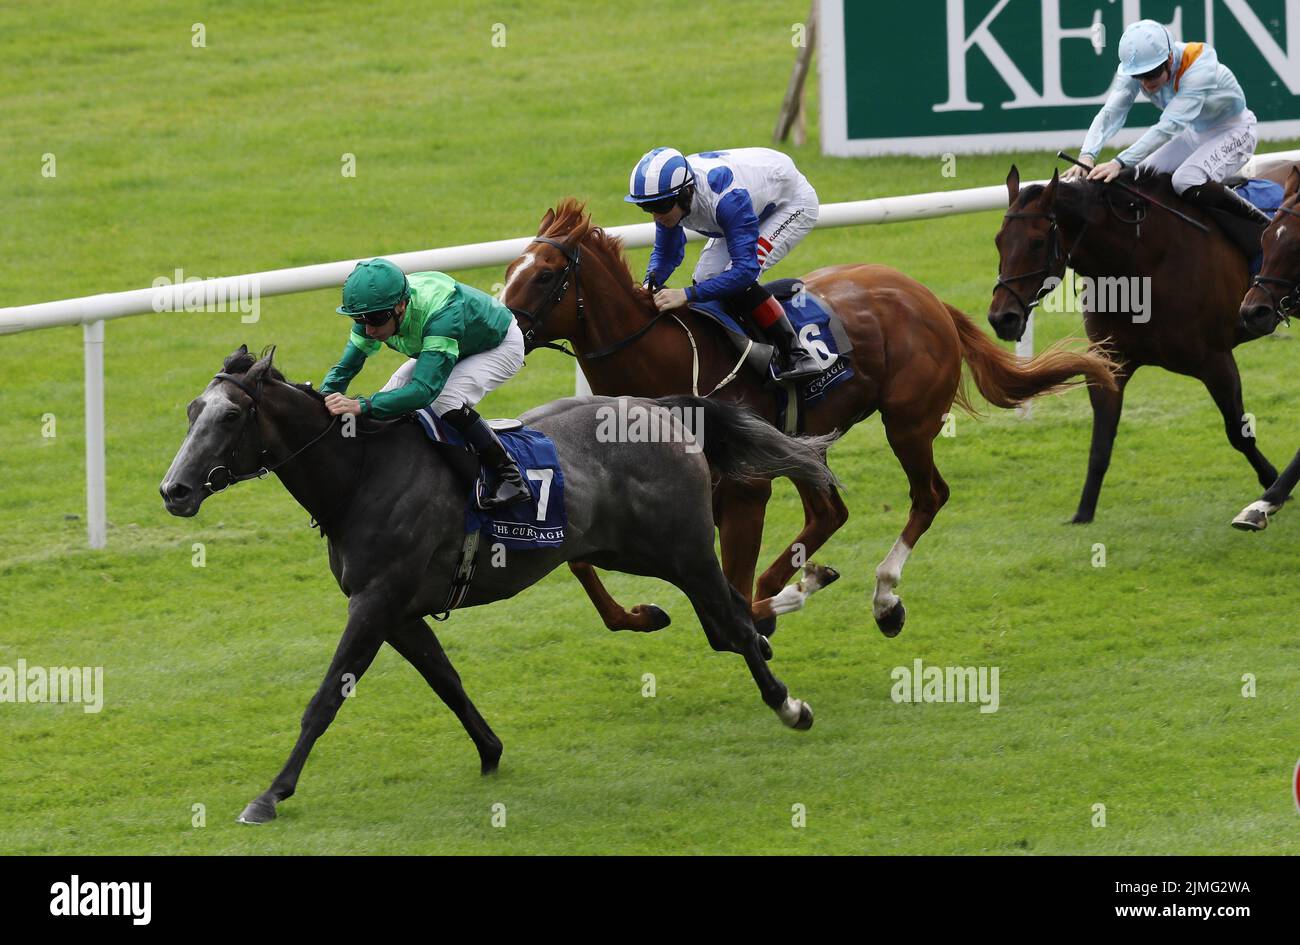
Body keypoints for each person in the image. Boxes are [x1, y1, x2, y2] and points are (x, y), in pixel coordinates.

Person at [320, 258, 530, 509]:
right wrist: (320, 400)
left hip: (498, 345)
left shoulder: (442, 315)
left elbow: (424, 391)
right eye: (359, 319)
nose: (369, 330)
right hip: (455, 343)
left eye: (375, 320)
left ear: (400, 305)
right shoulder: (374, 311)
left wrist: (361, 405)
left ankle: (511, 476)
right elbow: (345, 369)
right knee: (390, 394)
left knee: (446, 400)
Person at [1063, 19, 1270, 248]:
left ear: (1169, 59)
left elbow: (1167, 127)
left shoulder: (1198, 66)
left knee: (1185, 180)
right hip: (1195, 134)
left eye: (1151, 75)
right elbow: (1110, 113)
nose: (1145, 83)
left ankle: (1263, 226)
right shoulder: (1138, 68)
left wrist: (1119, 162)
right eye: (1138, 77)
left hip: (1235, 131)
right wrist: (1087, 155)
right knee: (1135, 180)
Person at [626, 146, 822, 381]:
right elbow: (667, 253)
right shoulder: (669, 195)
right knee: (707, 278)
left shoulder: (727, 199)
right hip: (750, 201)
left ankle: (795, 353)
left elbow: (745, 271)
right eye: (646, 207)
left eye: (659, 207)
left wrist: (686, 294)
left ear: (686, 193)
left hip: (790, 204)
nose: (655, 215)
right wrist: (650, 282)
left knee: (736, 278)